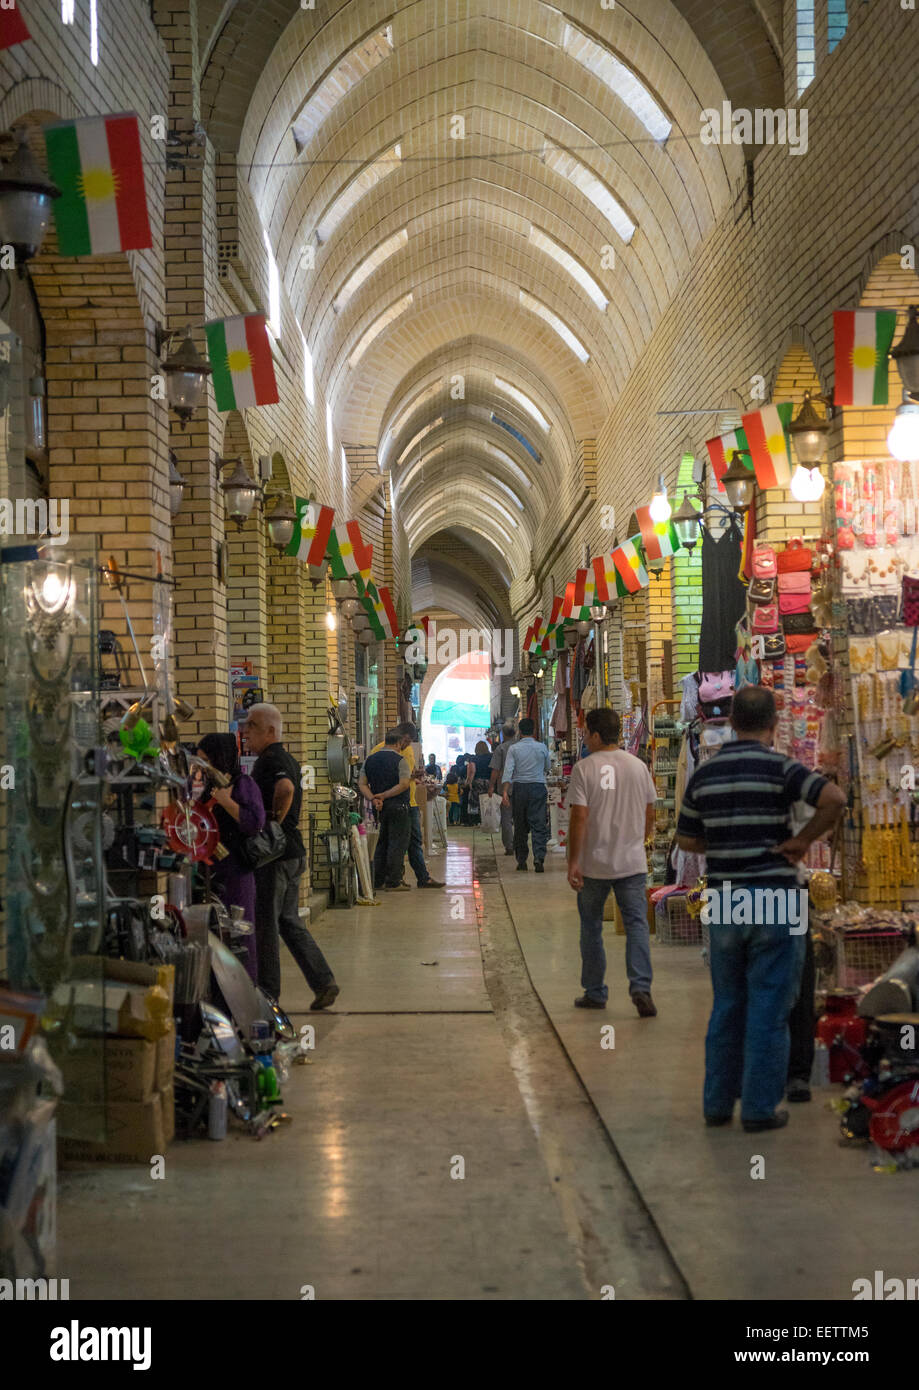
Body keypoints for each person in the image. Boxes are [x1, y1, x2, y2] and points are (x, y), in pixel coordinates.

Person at [677, 685, 845, 1133]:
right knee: (770, 1006)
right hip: (777, 898)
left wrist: (726, 842)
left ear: (731, 723)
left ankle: (717, 1104)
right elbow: (834, 800)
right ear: (773, 724)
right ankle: (758, 1108)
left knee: (728, 1003)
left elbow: (687, 840)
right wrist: (802, 841)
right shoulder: (783, 768)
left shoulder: (705, 776)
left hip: (727, 898)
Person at [243, 703, 340, 1011]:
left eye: (252, 727)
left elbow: (284, 788)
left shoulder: (272, 759)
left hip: (277, 857)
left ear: (271, 731)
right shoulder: (283, 758)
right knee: (288, 922)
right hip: (293, 853)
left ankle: (269, 994)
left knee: (266, 925)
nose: (246, 733)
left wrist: (272, 824)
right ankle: (323, 982)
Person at [566, 707, 658, 1016]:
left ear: (594, 734)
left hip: (595, 864)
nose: (583, 738)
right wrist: (639, 840)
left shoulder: (584, 769)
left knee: (591, 926)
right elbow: (650, 812)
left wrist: (573, 862)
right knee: (637, 925)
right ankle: (641, 987)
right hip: (632, 863)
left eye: (585, 732)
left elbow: (579, 817)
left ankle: (595, 992)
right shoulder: (637, 766)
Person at [196, 732, 265, 984]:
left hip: (236, 870)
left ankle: (244, 993)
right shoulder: (204, 786)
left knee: (239, 933)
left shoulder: (243, 784)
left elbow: (255, 823)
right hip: (209, 872)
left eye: (207, 760)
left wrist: (227, 802)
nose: (203, 767)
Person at [370, 721, 444, 888]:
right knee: (395, 843)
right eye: (408, 741)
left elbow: (404, 777)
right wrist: (380, 795)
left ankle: (414, 877)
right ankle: (393, 879)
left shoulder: (405, 751)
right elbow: (399, 781)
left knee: (408, 842)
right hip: (396, 804)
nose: (408, 745)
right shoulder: (383, 752)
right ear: (402, 738)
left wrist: (414, 776)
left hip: (405, 801)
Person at [359, 729, 412, 892]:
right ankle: (394, 880)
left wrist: (374, 798)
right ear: (397, 744)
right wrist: (385, 795)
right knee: (397, 843)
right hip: (398, 807)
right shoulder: (400, 760)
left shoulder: (370, 760)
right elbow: (404, 784)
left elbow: (362, 783)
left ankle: (378, 879)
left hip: (378, 809)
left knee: (380, 843)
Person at [500, 716, 550, 871]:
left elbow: (508, 770)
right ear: (534, 731)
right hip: (538, 787)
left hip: (520, 788)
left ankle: (521, 860)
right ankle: (539, 858)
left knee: (520, 825)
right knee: (539, 824)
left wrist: (505, 792)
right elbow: (547, 767)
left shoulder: (514, 749)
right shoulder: (542, 747)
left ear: (519, 732)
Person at [489, 723, 517, 855]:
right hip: (521, 785)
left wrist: (491, 786)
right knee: (519, 817)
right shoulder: (520, 747)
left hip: (504, 786)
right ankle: (519, 843)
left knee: (506, 817)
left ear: (503, 735)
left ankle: (509, 846)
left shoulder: (501, 748)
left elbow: (495, 770)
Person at [465, 739, 493, 823]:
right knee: (487, 801)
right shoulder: (491, 757)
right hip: (489, 782)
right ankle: (488, 819)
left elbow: (472, 771)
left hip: (478, 783)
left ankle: (476, 820)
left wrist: (469, 782)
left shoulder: (474, 758)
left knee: (476, 802)